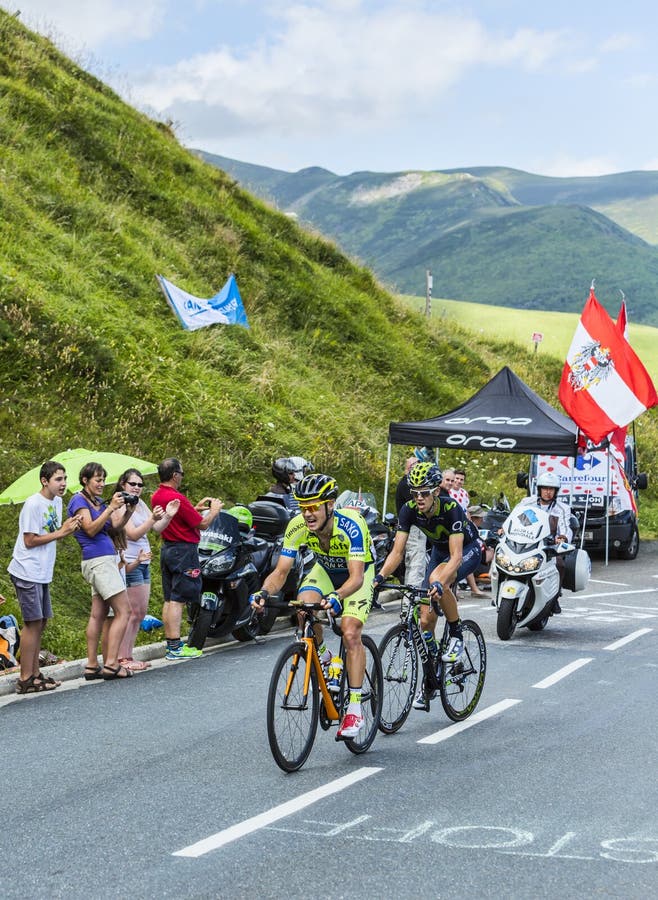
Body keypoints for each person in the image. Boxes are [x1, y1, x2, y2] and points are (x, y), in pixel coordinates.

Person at [250, 473, 375, 740]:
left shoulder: (352, 524)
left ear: (330, 505)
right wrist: (263, 592)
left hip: (357, 575)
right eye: (302, 507)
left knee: (351, 631)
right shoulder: (297, 526)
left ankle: (354, 708)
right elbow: (281, 572)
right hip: (326, 569)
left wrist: (337, 596)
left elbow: (355, 577)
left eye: (313, 506)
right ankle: (323, 654)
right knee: (303, 606)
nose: (307, 514)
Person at [374, 462, 482, 711]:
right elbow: (397, 552)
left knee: (436, 578)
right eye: (414, 493)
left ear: (435, 491)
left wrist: (440, 583)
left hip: (467, 550)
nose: (419, 498)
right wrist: (379, 578)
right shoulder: (409, 510)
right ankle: (432, 679)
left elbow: (455, 558)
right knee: (425, 619)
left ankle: (456, 632)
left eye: (424, 493)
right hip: (438, 551)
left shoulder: (451, 508)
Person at [7, 461, 82, 694]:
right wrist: (61, 532)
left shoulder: (57, 502)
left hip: (42, 571)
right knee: (32, 623)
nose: (63, 484)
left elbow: (50, 533)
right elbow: (30, 540)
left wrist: (68, 529)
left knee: (42, 622)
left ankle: (36, 673)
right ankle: (25, 678)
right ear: (44, 481)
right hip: (26, 570)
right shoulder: (33, 504)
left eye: (65, 479)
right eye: (58, 479)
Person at [68, 462, 135, 681]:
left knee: (98, 614)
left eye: (104, 480)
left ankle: (91, 665)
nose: (101, 484)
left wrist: (127, 512)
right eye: (98, 479)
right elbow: (90, 528)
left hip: (102, 560)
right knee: (124, 611)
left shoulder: (95, 501)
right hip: (98, 561)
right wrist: (110, 508)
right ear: (85, 480)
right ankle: (112, 664)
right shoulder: (78, 500)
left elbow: (112, 528)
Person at [151, 458, 223, 660]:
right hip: (184, 551)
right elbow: (202, 524)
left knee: (169, 598)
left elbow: (181, 515)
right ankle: (175, 647)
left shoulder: (157, 496)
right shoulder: (177, 498)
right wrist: (214, 511)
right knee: (178, 599)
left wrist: (194, 507)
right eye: (181, 473)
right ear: (175, 475)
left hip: (168, 549)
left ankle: (171, 644)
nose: (182, 477)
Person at [113, 468, 180, 671]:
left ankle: (128, 654)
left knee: (140, 613)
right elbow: (132, 534)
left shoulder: (139, 504)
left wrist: (168, 516)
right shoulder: (119, 504)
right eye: (132, 484)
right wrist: (153, 520)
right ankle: (122, 657)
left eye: (140, 485)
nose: (136, 488)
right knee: (131, 612)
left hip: (144, 562)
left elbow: (156, 528)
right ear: (123, 484)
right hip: (131, 560)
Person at [512, 471, 573, 614]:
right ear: (539, 489)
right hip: (525, 541)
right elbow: (514, 517)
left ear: (556, 491)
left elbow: (566, 527)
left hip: (548, 545)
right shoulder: (527, 502)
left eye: (551, 489)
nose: (548, 492)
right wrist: (503, 529)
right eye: (545, 488)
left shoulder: (562, 508)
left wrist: (562, 537)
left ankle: (554, 597)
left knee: (559, 564)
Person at [395, 456, 427, 588]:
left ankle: (410, 598)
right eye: (414, 466)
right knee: (416, 563)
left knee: (413, 562)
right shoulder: (406, 485)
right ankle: (413, 599)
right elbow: (420, 507)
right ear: (407, 469)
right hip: (413, 528)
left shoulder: (408, 484)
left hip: (411, 528)